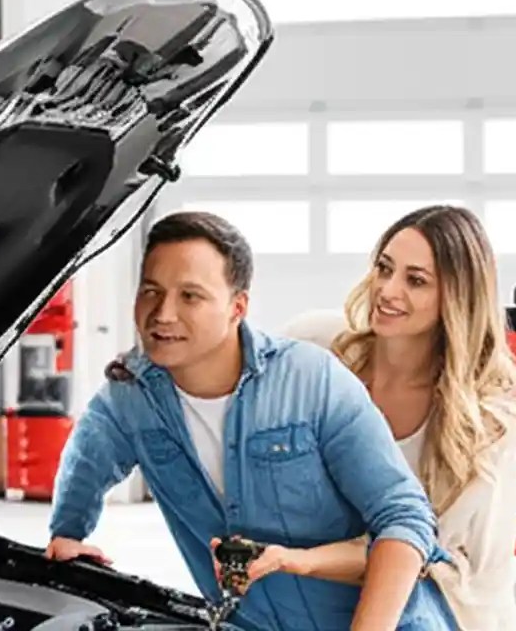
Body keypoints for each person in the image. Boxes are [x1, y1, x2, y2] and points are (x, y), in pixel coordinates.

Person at [46, 210, 456, 630]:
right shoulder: (128, 398)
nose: (163, 313)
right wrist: (68, 535)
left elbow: (405, 517)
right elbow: (84, 468)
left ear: (236, 307)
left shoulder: (311, 380)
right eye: (151, 291)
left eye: (190, 296)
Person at [274, 205, 516, 629]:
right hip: (329, 575)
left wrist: (304, 560)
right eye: (384, 268)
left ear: (455, 296)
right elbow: (231, 381)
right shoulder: (317, 348)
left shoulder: (482, 420)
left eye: (416, 281)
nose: (388, 291)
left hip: (438, 602)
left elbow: (421, 558)